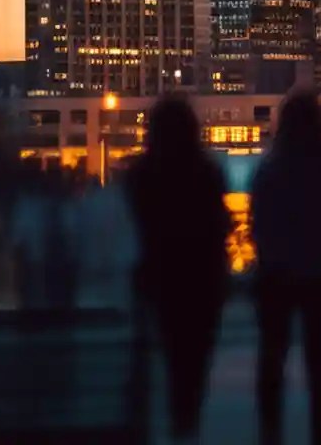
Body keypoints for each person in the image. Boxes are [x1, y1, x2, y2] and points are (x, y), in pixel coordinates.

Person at [251, 90, 321, 445]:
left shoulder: (270, 169)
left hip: (276, 274)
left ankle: (270, 432)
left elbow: (259, 224)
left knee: (272, 359)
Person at [126, 95, 231, 444]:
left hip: (159, 279)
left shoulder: (140, 176)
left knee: (166, 354)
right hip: (202, 280)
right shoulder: (208, 172)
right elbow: (218, 227)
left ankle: (175, 419)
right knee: (195, 358)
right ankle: (187, 420)